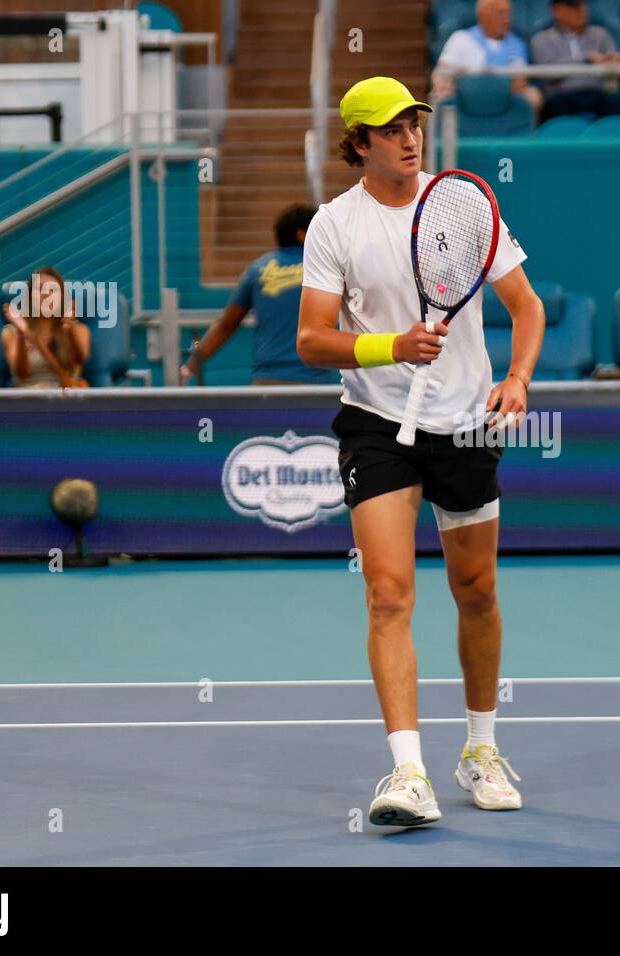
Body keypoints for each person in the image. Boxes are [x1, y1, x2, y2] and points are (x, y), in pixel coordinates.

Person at [297, 77, 545, 828]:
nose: (409, 136)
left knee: (475, 589)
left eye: (414, 122)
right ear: (359, 143)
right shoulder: (333, 225)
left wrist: (519, 378)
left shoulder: (463, 206)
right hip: (375, 422)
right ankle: (408, 771)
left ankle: (480, 749)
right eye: (391, 128)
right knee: (388, 592)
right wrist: (391, 346)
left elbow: (526, 307)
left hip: (466, 421)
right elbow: (312, 340)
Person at [181, 205, 338, 386]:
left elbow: (225, 325)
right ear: (302, 234)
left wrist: (189, 367)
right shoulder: (327, 267)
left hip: (267, 384)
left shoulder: (257, 269)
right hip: (316, 386)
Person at [433, 0, 543, 115]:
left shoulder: (517, 44)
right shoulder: (461, 38)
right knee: (440, 96)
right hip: (465, 96)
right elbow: (441, 73)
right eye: (500, 13)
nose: (507, 19)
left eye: (509, 13)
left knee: (533, 96)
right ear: (482, 16)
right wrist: (445, 86)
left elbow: (520, 81)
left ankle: (519, 131)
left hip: (504, 97)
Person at [529, 0, 620, 123]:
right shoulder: (541, 39)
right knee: (556, 106)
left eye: (583, 5)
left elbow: (614, 64)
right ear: (556, 10)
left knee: (617, 103)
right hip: (562, 95)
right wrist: (586, 59)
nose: (582, 10)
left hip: (596, 93)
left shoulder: (600, 35)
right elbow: (547, 75)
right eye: (574, 6)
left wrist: (614, 60)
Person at [1, 266, 91, 388]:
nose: (46, 294)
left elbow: (77, 364)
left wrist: (70, 330)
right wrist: (22, 334)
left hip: (66, 399)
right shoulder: (11, 332)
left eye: (53, 290)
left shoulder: (80, 330)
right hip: (28, 398)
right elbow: (20, 374)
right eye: (40, 288)